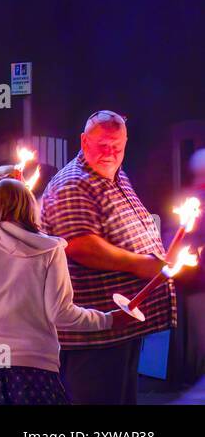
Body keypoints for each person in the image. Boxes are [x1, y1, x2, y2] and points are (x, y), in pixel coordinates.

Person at [0, 178, 128, 404]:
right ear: (30, 206)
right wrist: (107, 320)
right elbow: (61, 313)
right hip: (34, 362)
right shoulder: (51, 250)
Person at [40, 111, 172, 405]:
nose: (110, 154)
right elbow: (80, 245)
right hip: (94, 332)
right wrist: (140, 264)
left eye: (117, 146)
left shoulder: (115, 176)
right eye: (103, 145)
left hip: (118, 327)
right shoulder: (74, 183)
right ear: (84, 141)